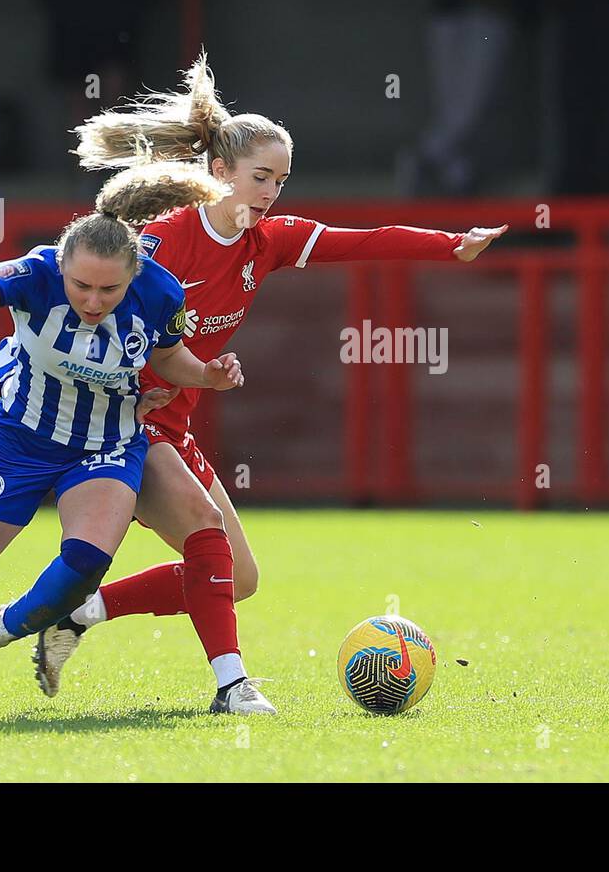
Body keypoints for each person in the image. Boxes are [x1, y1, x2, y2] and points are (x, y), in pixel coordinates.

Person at [25, 52, 507, 696]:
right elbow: (86, 313)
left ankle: (81, 611)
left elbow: (360, 241)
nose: (271, 193)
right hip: (125, 427)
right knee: (208, 537)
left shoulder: (267, 242)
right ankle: (234, 687)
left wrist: (450, 244)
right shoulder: (161, 243)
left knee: (240, 579)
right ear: (218, 172)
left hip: (175, 423)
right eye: (260, 177)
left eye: (280, 181)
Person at [0, 160, 279, 714]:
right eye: (80, 285)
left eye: (108, 289)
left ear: (135, 271)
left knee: (82, 566)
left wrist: (206, 375)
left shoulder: (160, 292)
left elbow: (169, 356)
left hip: (107, 445)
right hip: (20, 442)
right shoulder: (36, 271)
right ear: (62, 266)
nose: (92, 300)